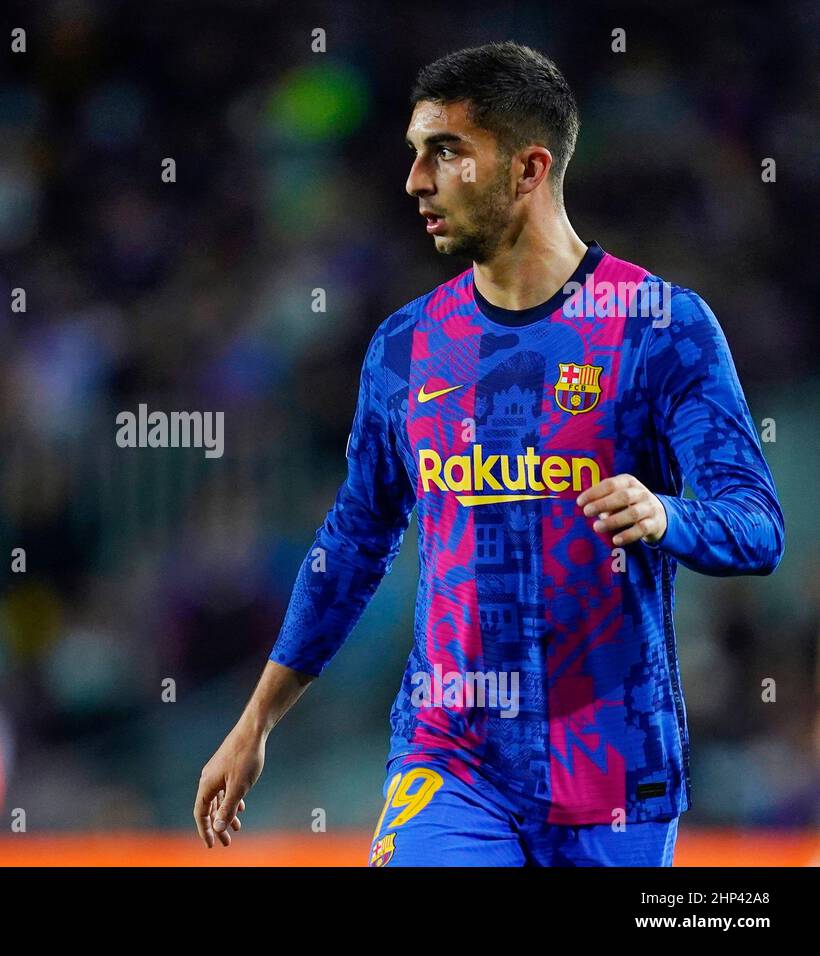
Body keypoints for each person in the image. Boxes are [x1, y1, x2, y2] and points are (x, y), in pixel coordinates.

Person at [193, 41, 784, 866]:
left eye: (446, 152)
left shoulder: (658, 326)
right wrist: (257, 719)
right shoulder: (406, 347)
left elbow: (758, 525)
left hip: (615, 771)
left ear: (529, 167)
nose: (416, 181)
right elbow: (353, 544)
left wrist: (666, 513)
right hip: (449, 759)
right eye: (414, 154)